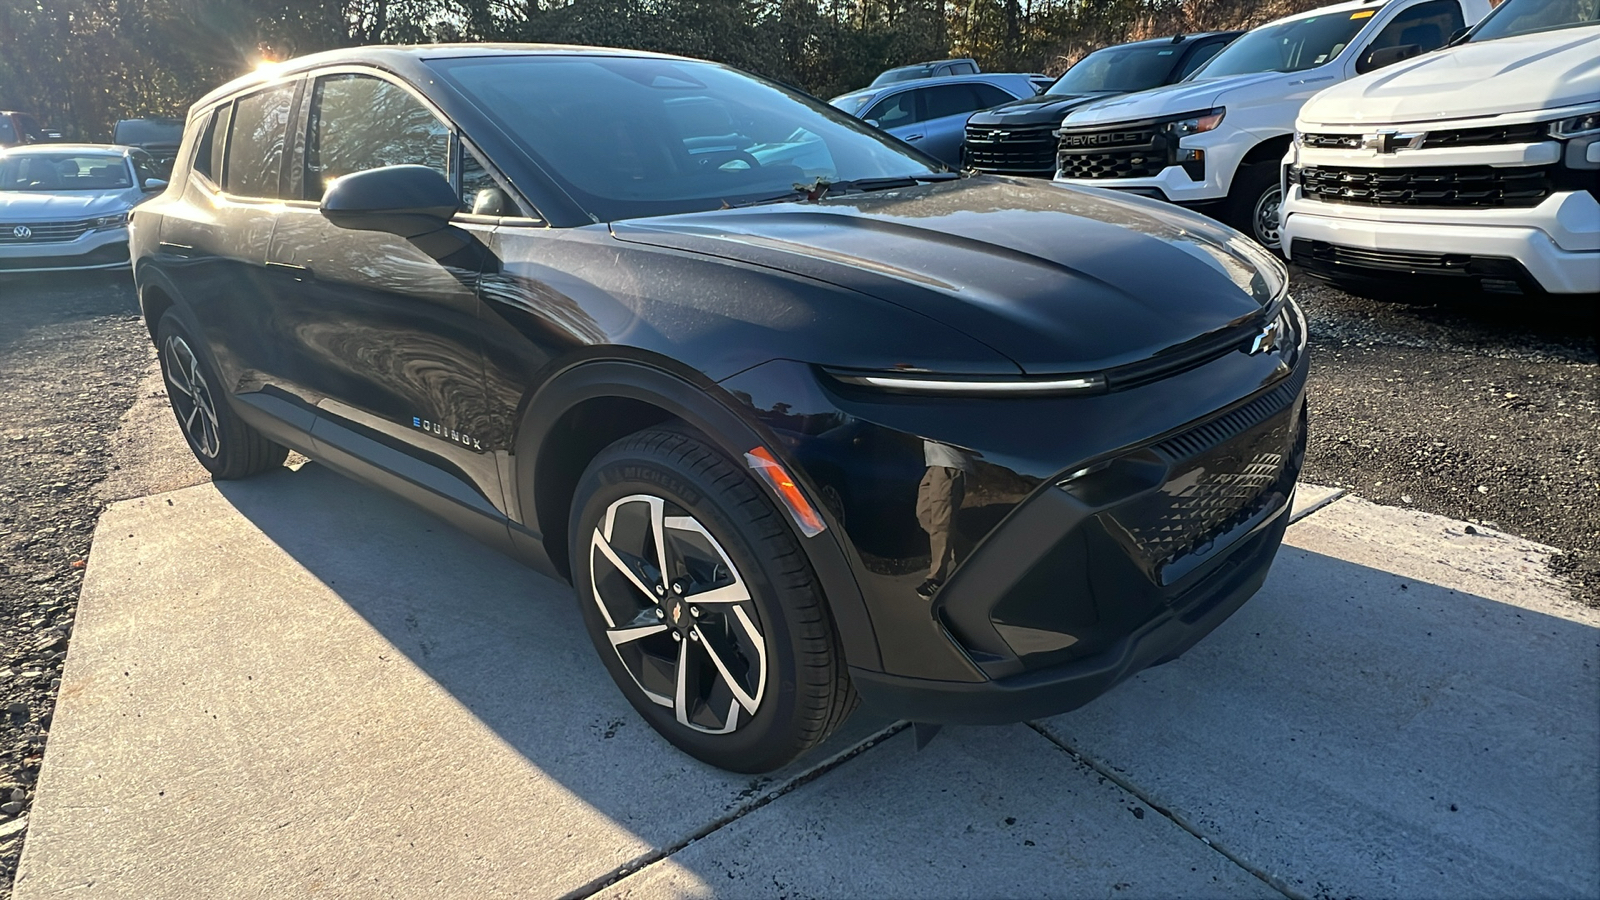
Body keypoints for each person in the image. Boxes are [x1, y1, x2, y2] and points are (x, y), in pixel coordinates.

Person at [916, 439, 974, 599]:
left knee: (942, 523)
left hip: (949, 463)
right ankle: (969, 554)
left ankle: (936, 577)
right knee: (924, 514)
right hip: (934, 463)